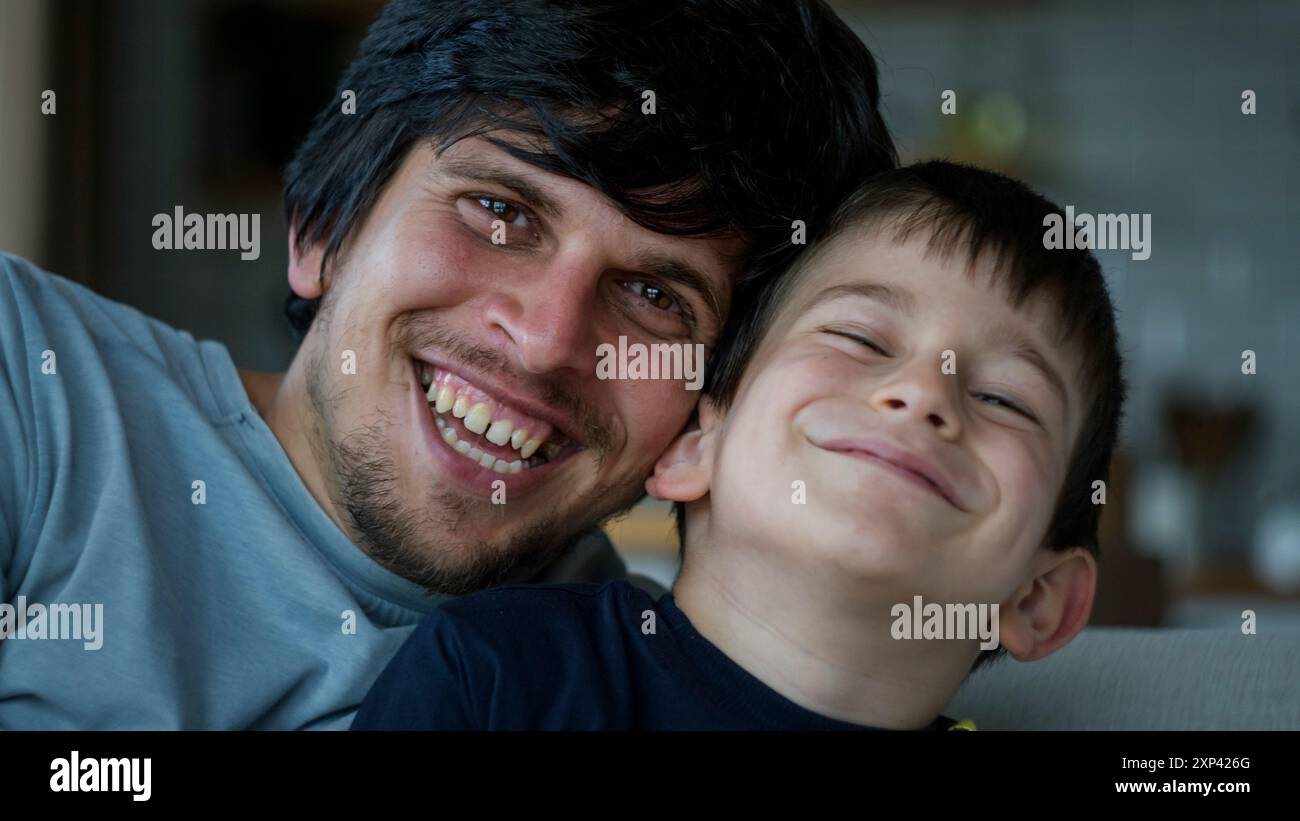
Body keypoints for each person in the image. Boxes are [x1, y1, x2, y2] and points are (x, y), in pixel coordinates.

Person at [0, 0, 896, 728]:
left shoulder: (626, 680)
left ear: (707, 413)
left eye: (657, 297)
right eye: (497, 211)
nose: (546, 338)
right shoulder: (31, 380)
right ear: (324, 228)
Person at [351, 161, 1127, 730]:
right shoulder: (500, 674)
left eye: (1003, 400)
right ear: (693, 442)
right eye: (859, 337)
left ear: (1041, 598)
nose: (925, 394)